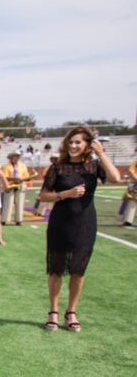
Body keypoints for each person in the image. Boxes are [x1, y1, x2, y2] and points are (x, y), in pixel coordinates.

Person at [37, 126, 120, 332]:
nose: (73, 146)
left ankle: (71, 311)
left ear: (87, 145)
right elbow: (43, 195)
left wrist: (101, 153)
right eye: (71, 142)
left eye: (78, 142)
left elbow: (116, 178)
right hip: (60, 223)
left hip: (85, 223)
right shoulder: (57, 168)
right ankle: (53, 311)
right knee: (56, 269)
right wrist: (66, 194)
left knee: (78, 270)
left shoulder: (93, 166)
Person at [1, 151, 33, 225]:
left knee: (20, 203)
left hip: (20, 185)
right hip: (10, 185)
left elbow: (27, 176)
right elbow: (4, 177)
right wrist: (14, 178)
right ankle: (5, 220)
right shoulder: (6, 166)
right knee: (8, 202)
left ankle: (19, 220)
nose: (17, 158)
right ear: (11, 157)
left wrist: (24, 178)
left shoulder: (23, 166)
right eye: (15, 156)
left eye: (18, 156)